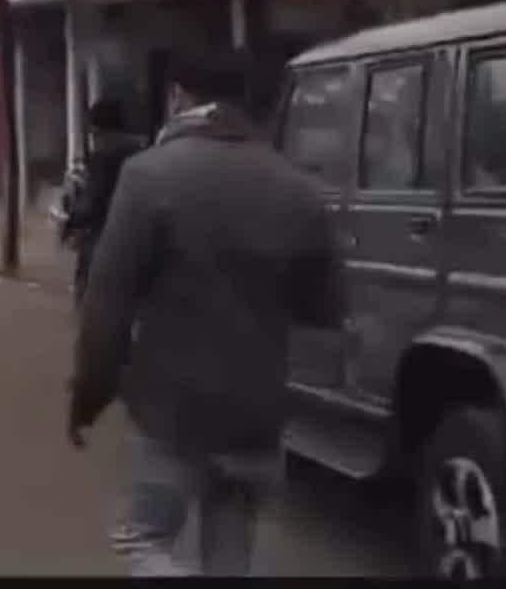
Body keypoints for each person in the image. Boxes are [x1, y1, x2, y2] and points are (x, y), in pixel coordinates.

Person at [67, 49, 344, 577]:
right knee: (231, 557)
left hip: (172, 415)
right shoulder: (300, 189)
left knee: (145, 544)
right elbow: (324, 313)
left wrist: (88, 395)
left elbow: (108, 305)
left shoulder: (149, 176)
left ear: (180, 98)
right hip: (256, 420)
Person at [59, 98, 144, 301]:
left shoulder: (103, 158)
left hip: (103, 244)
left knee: (91, 304)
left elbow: (91, 205)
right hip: (137, 245)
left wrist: (70, 219)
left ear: (98, 130)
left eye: (93, 132)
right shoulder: (142, 154)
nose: (93, 138)